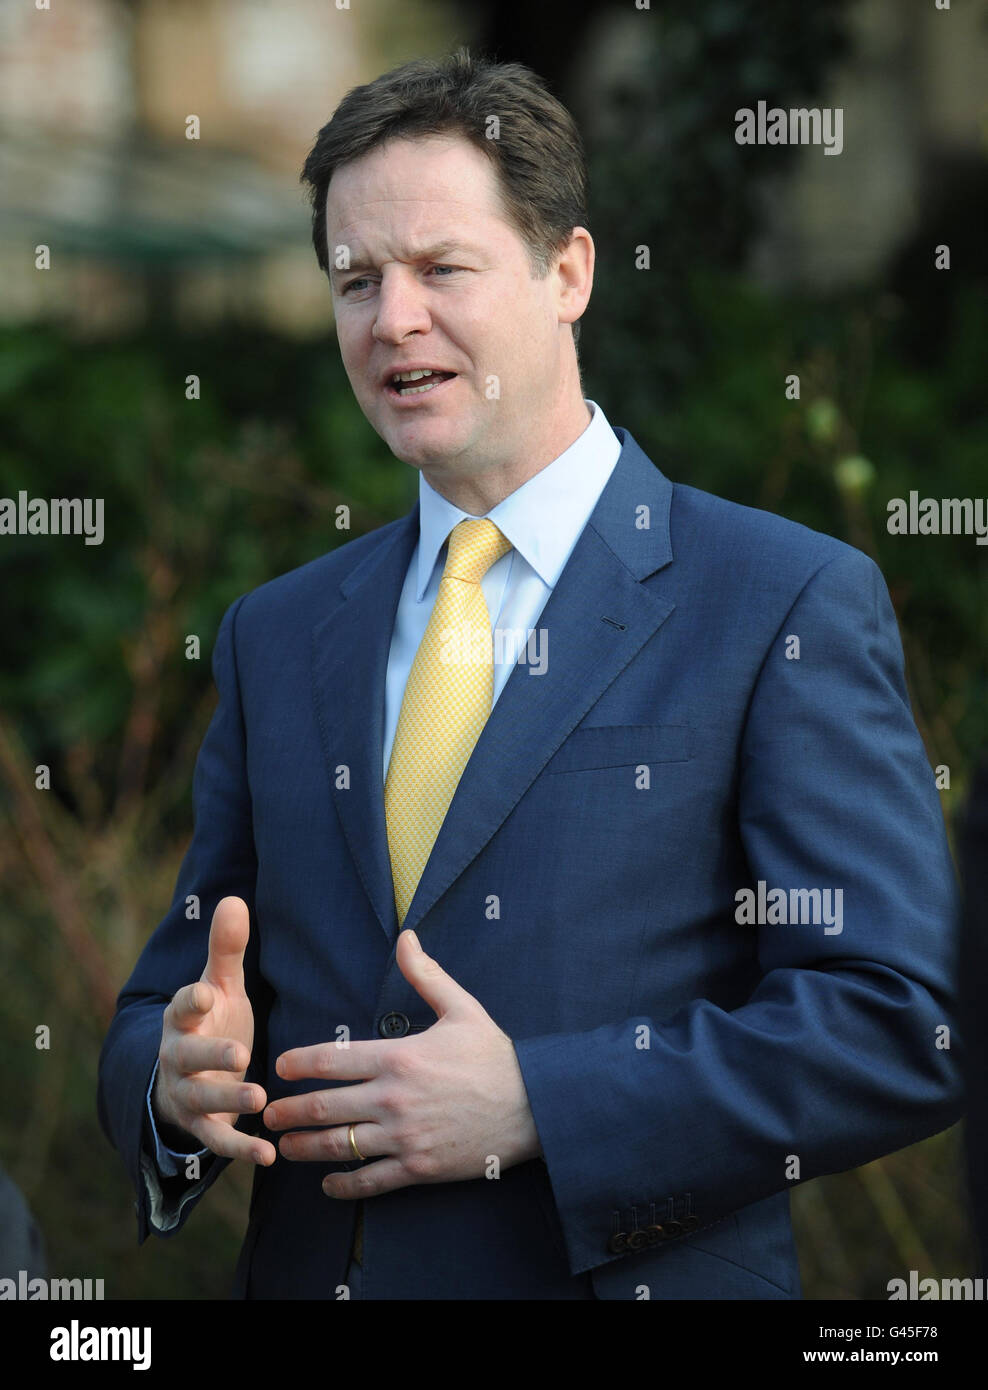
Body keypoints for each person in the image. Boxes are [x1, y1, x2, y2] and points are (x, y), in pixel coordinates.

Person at [97, 47, 965, 1300]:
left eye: (442, 267)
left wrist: (545, 1104)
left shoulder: (778, 599)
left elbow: (901, 1025)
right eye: (356, 280)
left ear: (569, 272)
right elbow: (165, 999)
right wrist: (179, 1086)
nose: (393, 318)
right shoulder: (275, 635)